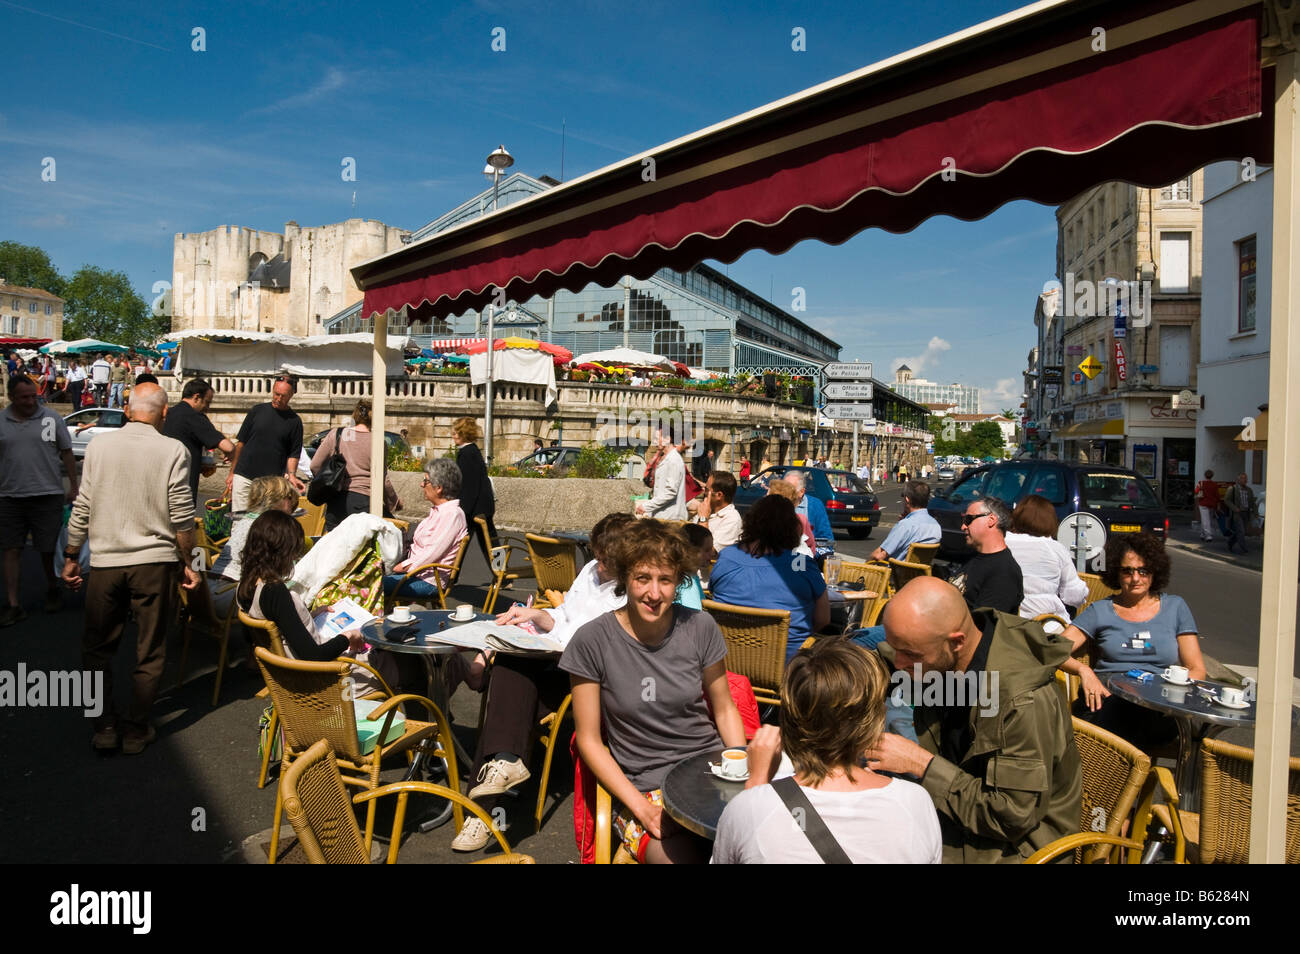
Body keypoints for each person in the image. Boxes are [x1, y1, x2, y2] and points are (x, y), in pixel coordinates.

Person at [562, 518, 747, 863]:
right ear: (625, 577)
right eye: (642, 578)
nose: (654, 593)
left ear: (679, 582)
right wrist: (640, 809)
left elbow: (724, 709)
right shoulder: (592, 642)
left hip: (709, 775)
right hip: (645, 789)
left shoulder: (700, 626)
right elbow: (588, 739)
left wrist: (740, 773)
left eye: (665, 580)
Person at [451, 512, 635, 852]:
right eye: (596, 555)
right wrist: (535, 615)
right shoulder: (591, 571)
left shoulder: (628, 595)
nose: (598, 564)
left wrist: (552, 644)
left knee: (509, 680)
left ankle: (486, 806)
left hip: (582, 676)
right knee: (511, 666)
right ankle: (503, 770)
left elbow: (604, 650)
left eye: (606, 560)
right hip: (550, 658)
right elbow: (563, 618)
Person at [866, 577, 1082, 863]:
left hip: (1016, 847)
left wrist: (920, 763)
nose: (900, 663)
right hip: (961, 814)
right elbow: (889, 658)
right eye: (897, 648)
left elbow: (1010, 817)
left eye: (910, 654)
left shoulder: (1021, 702)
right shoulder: (962, 648)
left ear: (956, 642)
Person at [712, 640, 942, 864]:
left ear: (790, 720)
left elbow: (757, 830)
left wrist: (757, 784)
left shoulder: (749, 809)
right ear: (873, 721)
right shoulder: (915, 804)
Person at [63, 383, 199, 754]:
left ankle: (104, 726)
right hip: (154, 562)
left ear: (127, 409)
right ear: (165, 413)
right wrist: (189, 562)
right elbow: (183, 518)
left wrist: (72, 553)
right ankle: (137, 729)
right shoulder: (173, 449)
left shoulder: (100, 447)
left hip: (107, 561)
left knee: (96, 648)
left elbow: (83, 504)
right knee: (150, 649)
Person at [1060, 532, 1204, 750]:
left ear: (1155, 571)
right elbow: (1054, 650)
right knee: (1119, 710)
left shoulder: (1175, 607)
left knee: (1143, 716)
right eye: (1127, 571)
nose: (1135, 578)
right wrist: (1084, 671)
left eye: (1143, 571)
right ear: (1116, 574)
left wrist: (1170, 696)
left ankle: (1120, 776)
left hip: (1157, 706)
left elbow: (1196, 669)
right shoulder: (1100, 610)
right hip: (1107, 700)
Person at [235, 510, 382, 694]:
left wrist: (309, 615)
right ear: (282, 552)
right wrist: (349, 636)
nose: (295, 559)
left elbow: (280, 627)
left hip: (290, 676)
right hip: (321, 680)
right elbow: (314, 656)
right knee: (400, 664)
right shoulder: (274, 591)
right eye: (294, 553)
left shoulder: (246, 585)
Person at [709, 494, 830, 658]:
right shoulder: (801, 562)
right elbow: (823, 618)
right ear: (791, 527)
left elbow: (714, 593)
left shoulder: (727, 557)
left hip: (727, 665)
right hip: (788, 667)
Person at [0, 376, 79, 624]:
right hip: (9, 495)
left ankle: (52, 589)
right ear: (11, 397)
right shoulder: (1, 421)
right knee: (11, 549)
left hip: (47, 495)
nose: (31, 401)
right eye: (24, 397)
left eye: (34, 396)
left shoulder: (50, 418)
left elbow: (66, 452)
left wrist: (74, 486)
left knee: (47, 549)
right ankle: (14, 604)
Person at [382, 458, 467, 602]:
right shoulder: (440, 512)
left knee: (370, 584)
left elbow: (432, 552)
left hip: (429, 581)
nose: (422, 485)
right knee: (369, 578)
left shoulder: (452, 514)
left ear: (438, 487)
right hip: (417, 574)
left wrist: (402, 566)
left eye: (425, 481)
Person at [310, 400, 400, 530]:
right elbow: (383, 479)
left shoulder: (337, 435)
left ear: (355, 415)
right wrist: (394, 502)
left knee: (336, 546)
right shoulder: (379, 441)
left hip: (337, 502)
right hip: (366, 502)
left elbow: (314, 465)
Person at [1005, 495, 1087, 631]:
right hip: (1045, 625)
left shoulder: (1002, 543)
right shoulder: (1055, 548)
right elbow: (1074, 595)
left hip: (1005, 623)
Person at [226, 376, 305, 513]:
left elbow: (294, 453)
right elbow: (241, 443)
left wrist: (292, 475)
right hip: (244, 476)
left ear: (291, 395)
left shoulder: (295, 421)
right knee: (239, 520)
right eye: (276, 394)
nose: (278, 399)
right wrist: (232, 472)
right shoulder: (257, 411)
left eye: (283, 396)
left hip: (270, 483)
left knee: (264, 524)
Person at [163, 378, 235, 506]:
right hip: (183, 487)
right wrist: (232, 453)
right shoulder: (194, 416)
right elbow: (228, 447)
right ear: (196, 397)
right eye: (207, 403)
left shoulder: (168, 413)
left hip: (163, 483)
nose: (207, 408)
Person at [947, 498, 1023, 614]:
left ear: (991, 520)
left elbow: (985, 625)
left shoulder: (1003, 572)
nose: (963, 527)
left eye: (968, 520)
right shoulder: (974, 556)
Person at [452, 417, 496, 564]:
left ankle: (452, 575)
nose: (454, 436)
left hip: (474, 508)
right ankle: (503, 574)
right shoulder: (472, 450)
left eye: (456, 433)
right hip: (483, 506)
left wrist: (463, 510)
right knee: (493, 544)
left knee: (461, 544)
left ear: (463, 434)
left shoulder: (466, 453)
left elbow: (469, 486)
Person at [869, 480, 941, 562]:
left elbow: (879, 555)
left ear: (907, 500)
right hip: (920, 572)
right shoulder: (936, 525)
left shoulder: (905, 525)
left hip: (895, 572)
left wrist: (865, 566)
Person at [636, 425, 688, 520]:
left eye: (656, 438)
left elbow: (670, 492)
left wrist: (646, 506)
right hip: (663, 516)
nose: (654, 442)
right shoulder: (665, 458)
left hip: (671, 517)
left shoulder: (674, 460)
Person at [693, 470, 742, 548]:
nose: (704, 492)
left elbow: (710, 551)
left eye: (706, 490)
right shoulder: (708, 509)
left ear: (719, 495)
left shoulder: (732, 519)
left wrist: (703, 519)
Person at [785, 471, 833, 547]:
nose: (785, 493)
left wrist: (811, 552)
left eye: (789, 489)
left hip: (807, 555)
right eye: (783, 488)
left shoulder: (815, 505)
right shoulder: (775, 504)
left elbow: (827, 540)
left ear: (801, 492)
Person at [767, 478, 815, 553]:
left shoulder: (761, 519)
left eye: (767, 496)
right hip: (794, 561)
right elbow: (811, 545)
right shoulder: (800, 520)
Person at [1224, 473, 1256, 555]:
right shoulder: (1232, 489)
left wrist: (1256, 512)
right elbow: (1227, 500)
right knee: (1241, 531)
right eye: (1242, 478)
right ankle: (1243, 549)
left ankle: (1230, 542)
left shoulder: (1249, 490)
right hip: (1237, 513)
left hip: (1246, 513)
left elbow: (1252, 502)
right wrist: (1235, 508)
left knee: (1243, 531)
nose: (1245, 480)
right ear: (1238, 480)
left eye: (1246, 478)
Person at [1193, 470, 1218, 543]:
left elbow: (1196, 491)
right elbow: (1217, 495)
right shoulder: (1214, 485)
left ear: (1205, 475)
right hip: (1212, 504)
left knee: (1205, 520)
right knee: (1208, 519)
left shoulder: (1201, 483)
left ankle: (1208, 535)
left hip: (1203, 503)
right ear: (1212, 476)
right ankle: (1203, 534)